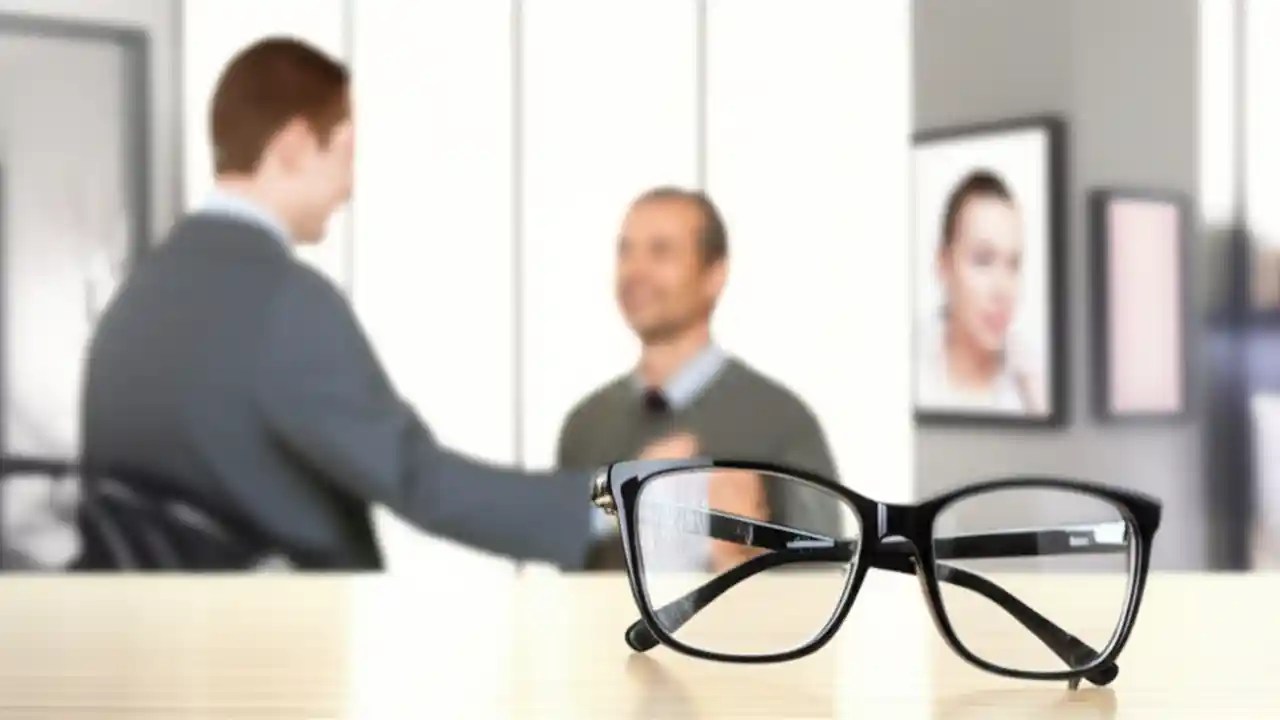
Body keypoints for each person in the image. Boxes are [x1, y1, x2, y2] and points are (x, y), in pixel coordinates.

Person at [79, 38, 689, 570]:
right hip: (280, 668)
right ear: (294, 144)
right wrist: (625, 498)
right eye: (344, 150)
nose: (349, 185)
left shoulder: (133, 304)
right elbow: (421, 483)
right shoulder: (284, 304)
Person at [556, 186, 841, 571]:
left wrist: (746, 556)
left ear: (714, 274)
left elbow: (821, 582)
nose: (635, 270)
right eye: (626, 251)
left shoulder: (783, 423)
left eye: (660, 251)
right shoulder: (586, 425)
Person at [917, 170, 1045, 415]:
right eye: (983, 260)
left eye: (1013, 264)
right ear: (943, 264)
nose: (1003, 289)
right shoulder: (903, 368)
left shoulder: (1034, 386)